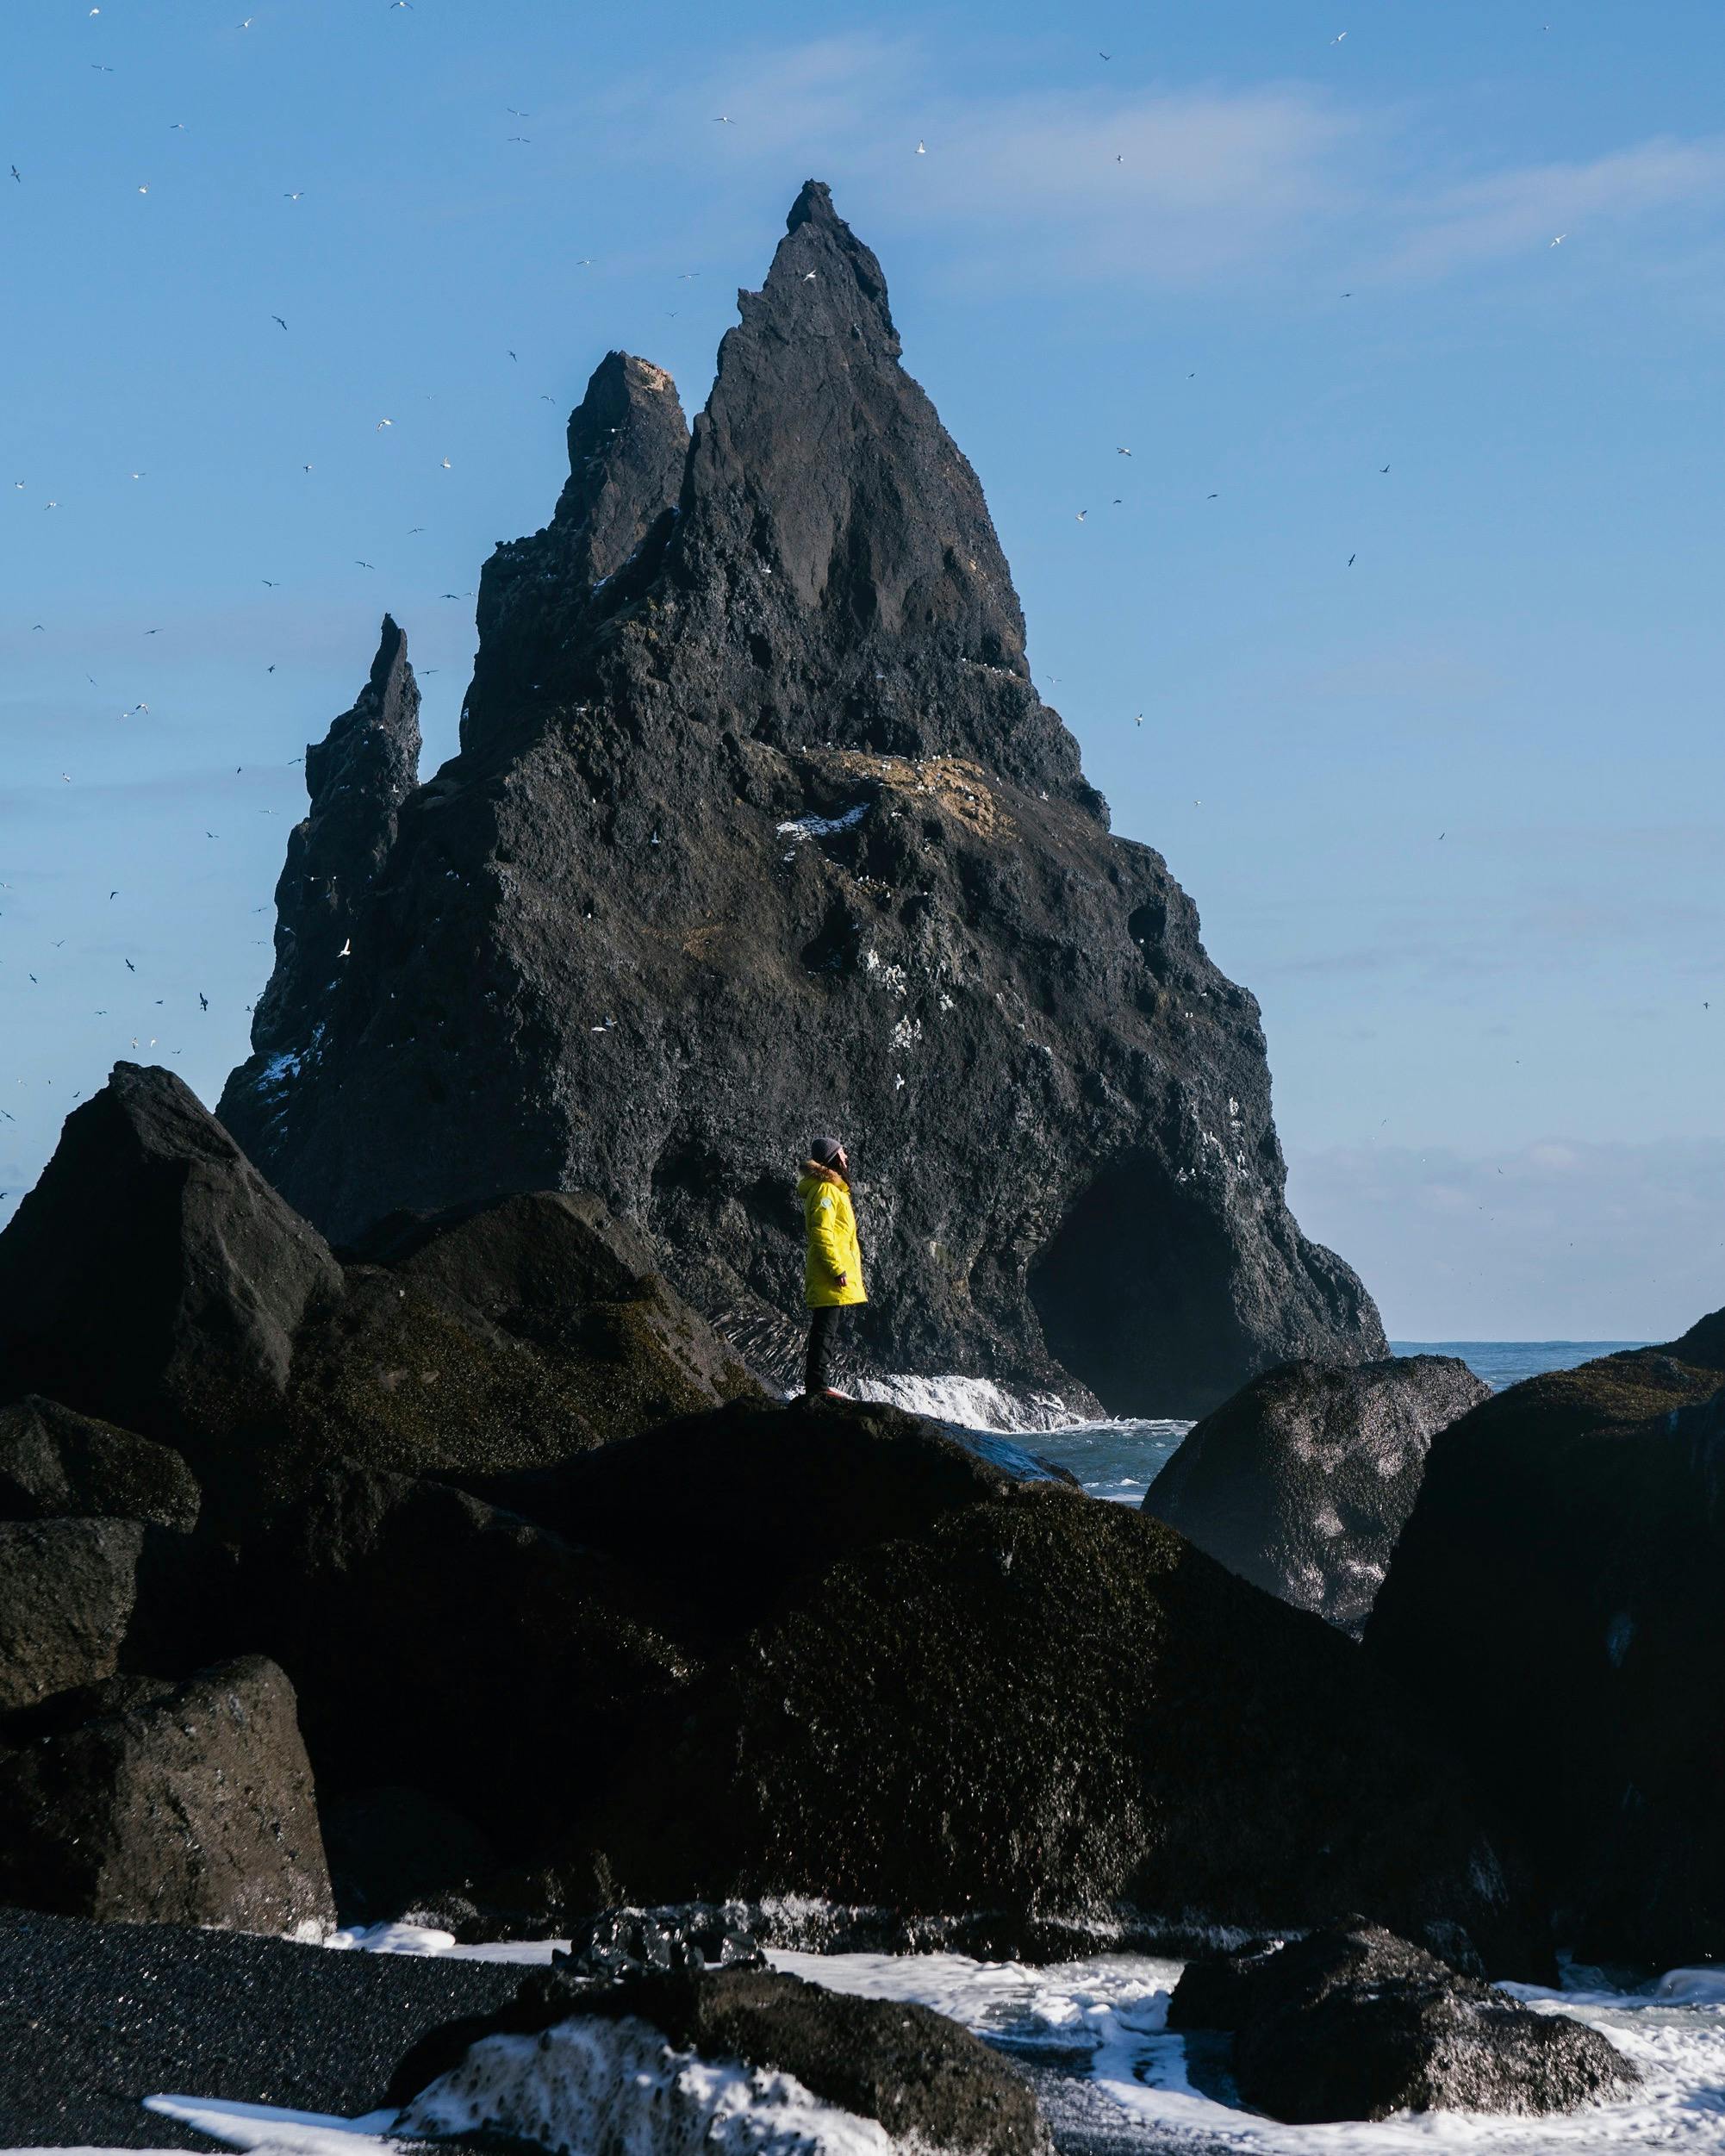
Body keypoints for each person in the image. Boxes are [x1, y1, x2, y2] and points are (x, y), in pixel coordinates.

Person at [798, 1134, 866, 1398]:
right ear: (834, 1158)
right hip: (830, 1274)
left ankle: (819, 1385)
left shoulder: (831, 1189)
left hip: (830, 1273)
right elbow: (821, 1232)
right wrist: (837, 1269)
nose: (847, 1157)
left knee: (826, 1329)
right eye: (843, 1153)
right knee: (824, 1330)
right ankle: (817, 1387)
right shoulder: (826, 1190)